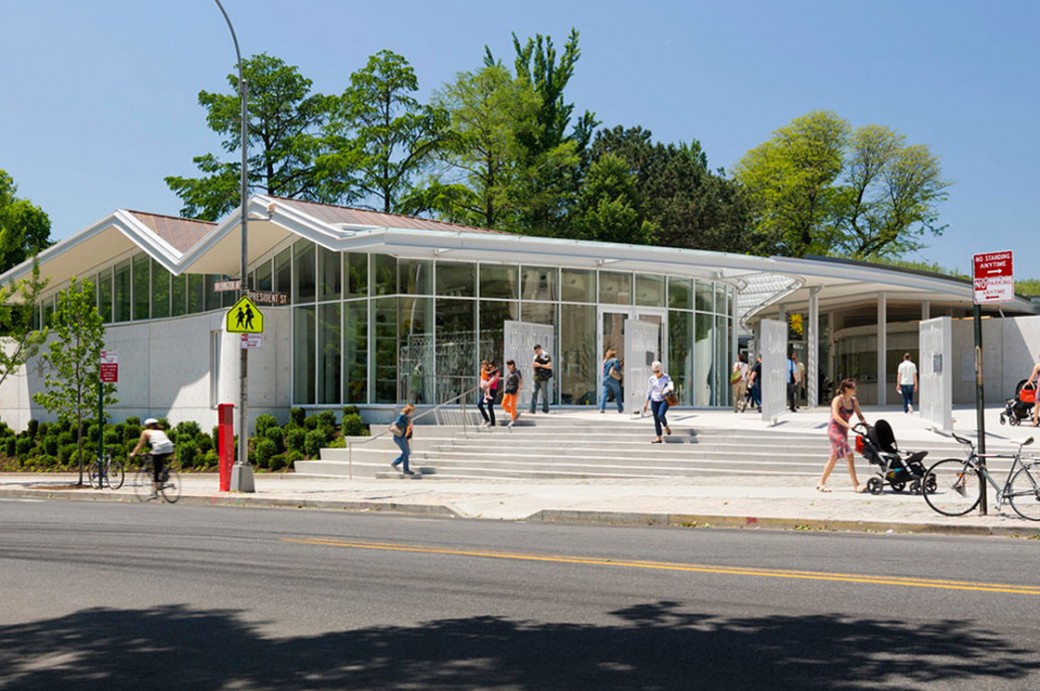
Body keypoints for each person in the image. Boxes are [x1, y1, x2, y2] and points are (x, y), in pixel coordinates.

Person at [816, 379, 868, 493]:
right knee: (849, 454)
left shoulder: (854, 401)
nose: (855, 390)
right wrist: (848, 425)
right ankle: (856, 485)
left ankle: (821, 482)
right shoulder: (838, 400)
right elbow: (835, 415)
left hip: (844, 430)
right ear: (846, 389)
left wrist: (866, 424)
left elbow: (859, 414)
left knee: (834, 458)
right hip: (834, 430)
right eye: (853, 388)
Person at [129, 417, 175, 496]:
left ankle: (155, 490)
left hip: (159, 449)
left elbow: (140, 444)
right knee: (157, 461)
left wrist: (133, 453)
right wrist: (149, 452)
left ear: (148, 425)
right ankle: (163, 471)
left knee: (156, 470)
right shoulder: (161, 431)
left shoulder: (145, 432)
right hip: (169, 449)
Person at [642, 360, 674, 444]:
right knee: (656, 419)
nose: (656, 373)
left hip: (664, 399)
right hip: (654, 399)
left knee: (660, 415)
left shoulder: (666, 377)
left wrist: (668, 389)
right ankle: (658, 437)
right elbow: (649, 391)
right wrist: (646, 403)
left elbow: (670, 385)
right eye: (654, 371)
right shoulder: (651, 379)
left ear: (661, 370)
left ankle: (666, 426)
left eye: (658, 371)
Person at [389, 402, 416, 475]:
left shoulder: (406, 417)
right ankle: (405, 469)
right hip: (398, 437)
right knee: (406, 452)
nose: (412, 413)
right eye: (412, 411)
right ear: (409, 411)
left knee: (407, 452)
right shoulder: (402, 416)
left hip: (402, 437)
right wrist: (406, 424)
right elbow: (397, 423)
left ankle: (395, 463)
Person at [599, 347, 624, 414]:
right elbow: (617, 368)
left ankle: (602, 408)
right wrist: (620, 365)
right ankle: (620, 408)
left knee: (604, 394)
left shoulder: (605, 361)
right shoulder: (615, 360)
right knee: (617, 393)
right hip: (612, 379)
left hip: (605, 379)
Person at [529, 344, 552, 414]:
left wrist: (540, 365)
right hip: (536, 377)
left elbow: (549, 366)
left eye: (538, 351)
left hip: (544, 378)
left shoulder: (546, 356)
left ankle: (545, 409)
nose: (537, 353)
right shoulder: (535, 357)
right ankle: (532, 409)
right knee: (534, 393)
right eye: (536, 352)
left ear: (540, 349)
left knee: (544, 394)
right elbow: (533, 366)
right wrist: (534, 366)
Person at [478, 360, 500, 427]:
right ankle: (487, 419)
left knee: (489, 406)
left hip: (492, 391)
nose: (490, 368)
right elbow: (483, 377)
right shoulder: (488, 372)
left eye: (491, 367)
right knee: (479, 404)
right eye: (489, 367)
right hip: (486, 390)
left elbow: (492, 380)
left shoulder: (497, 372)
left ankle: (493, 423)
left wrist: (486, 384)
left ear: (494, 367)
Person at [502, 359, 522, 428]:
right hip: (507, 390)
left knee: (512, 405)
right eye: (507, 365)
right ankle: (515, 413)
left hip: (514, 390)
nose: (508, 366)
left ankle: (513, 419)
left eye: (509, 365)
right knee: (503, 404)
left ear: (513, 365)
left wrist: (519, 390)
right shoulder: (509, 372)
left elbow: (520, 382)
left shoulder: (517, 372)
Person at [1026, 356, 1040, 427]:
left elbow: (1032, 376)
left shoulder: (1037, 366)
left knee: (1037, 405)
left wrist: (1028, 383)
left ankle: (1035, 422)